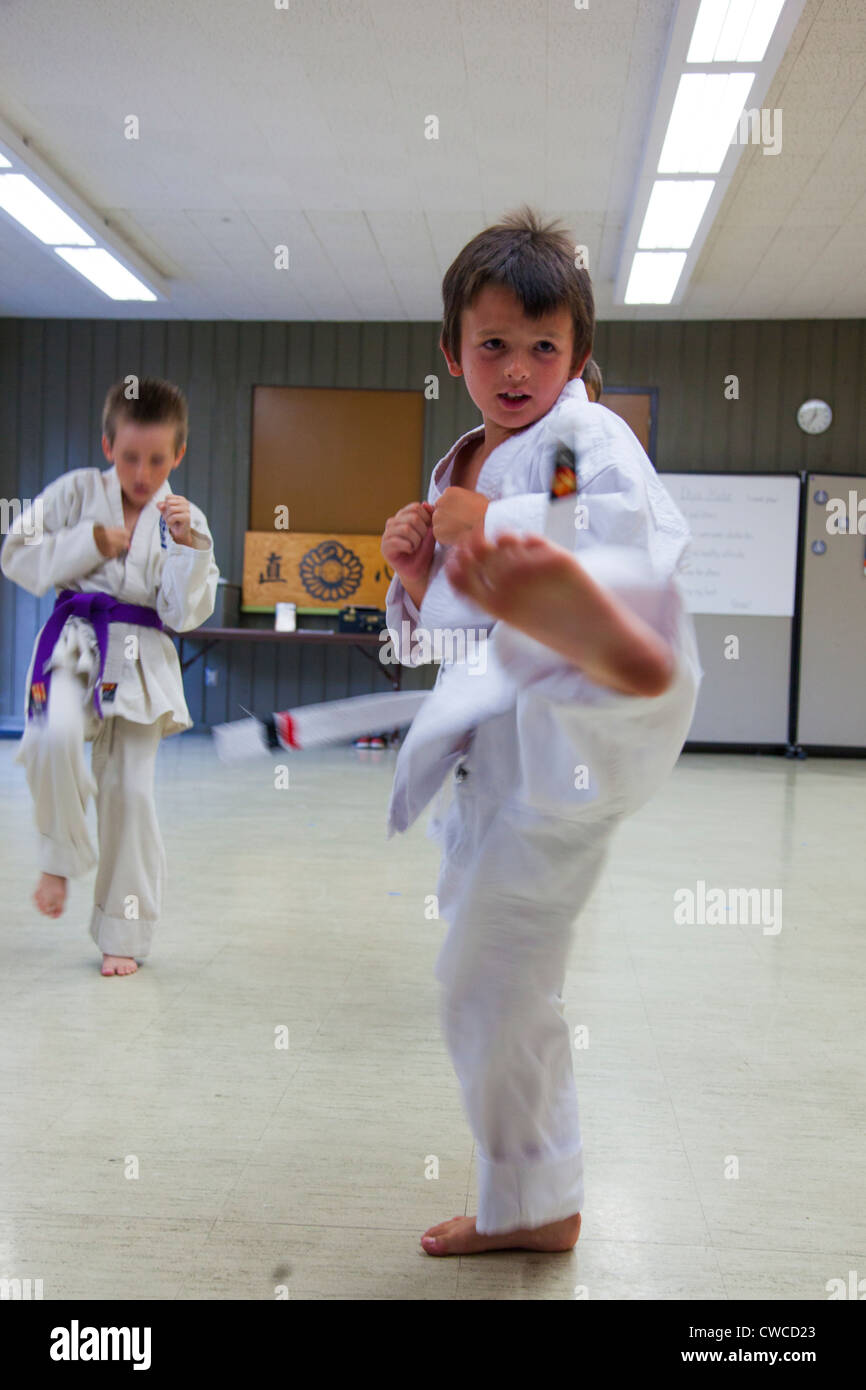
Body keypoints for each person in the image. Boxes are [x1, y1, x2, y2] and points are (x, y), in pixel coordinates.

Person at [380, 207, 701, 1255]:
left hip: (561, 738)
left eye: (543, 347)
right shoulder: (454, 466)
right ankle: (532, 1199)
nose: (517, 369)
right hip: (496, 752)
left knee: (487, 978)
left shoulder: (574, 435)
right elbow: (434, 644)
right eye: (491, 345)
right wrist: (419, 577)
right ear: (450, 352)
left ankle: (602, 634)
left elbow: (587, 517)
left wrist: (503, 535)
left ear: (577, 357)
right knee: (492, 983)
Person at [1, 377, 219, 976]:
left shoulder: (185, 518)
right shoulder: (75, 493)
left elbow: (184, 613)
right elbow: (17, 554)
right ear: (106, 446)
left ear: (178, 454)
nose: (142, 473)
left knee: (131, 792)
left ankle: (122, 931)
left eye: (156, 459)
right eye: (129, 457)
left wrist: (189, 549)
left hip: (143, 655)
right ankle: (58, 855)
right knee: (51, 737)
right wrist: (89, 542)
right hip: (75, 644)